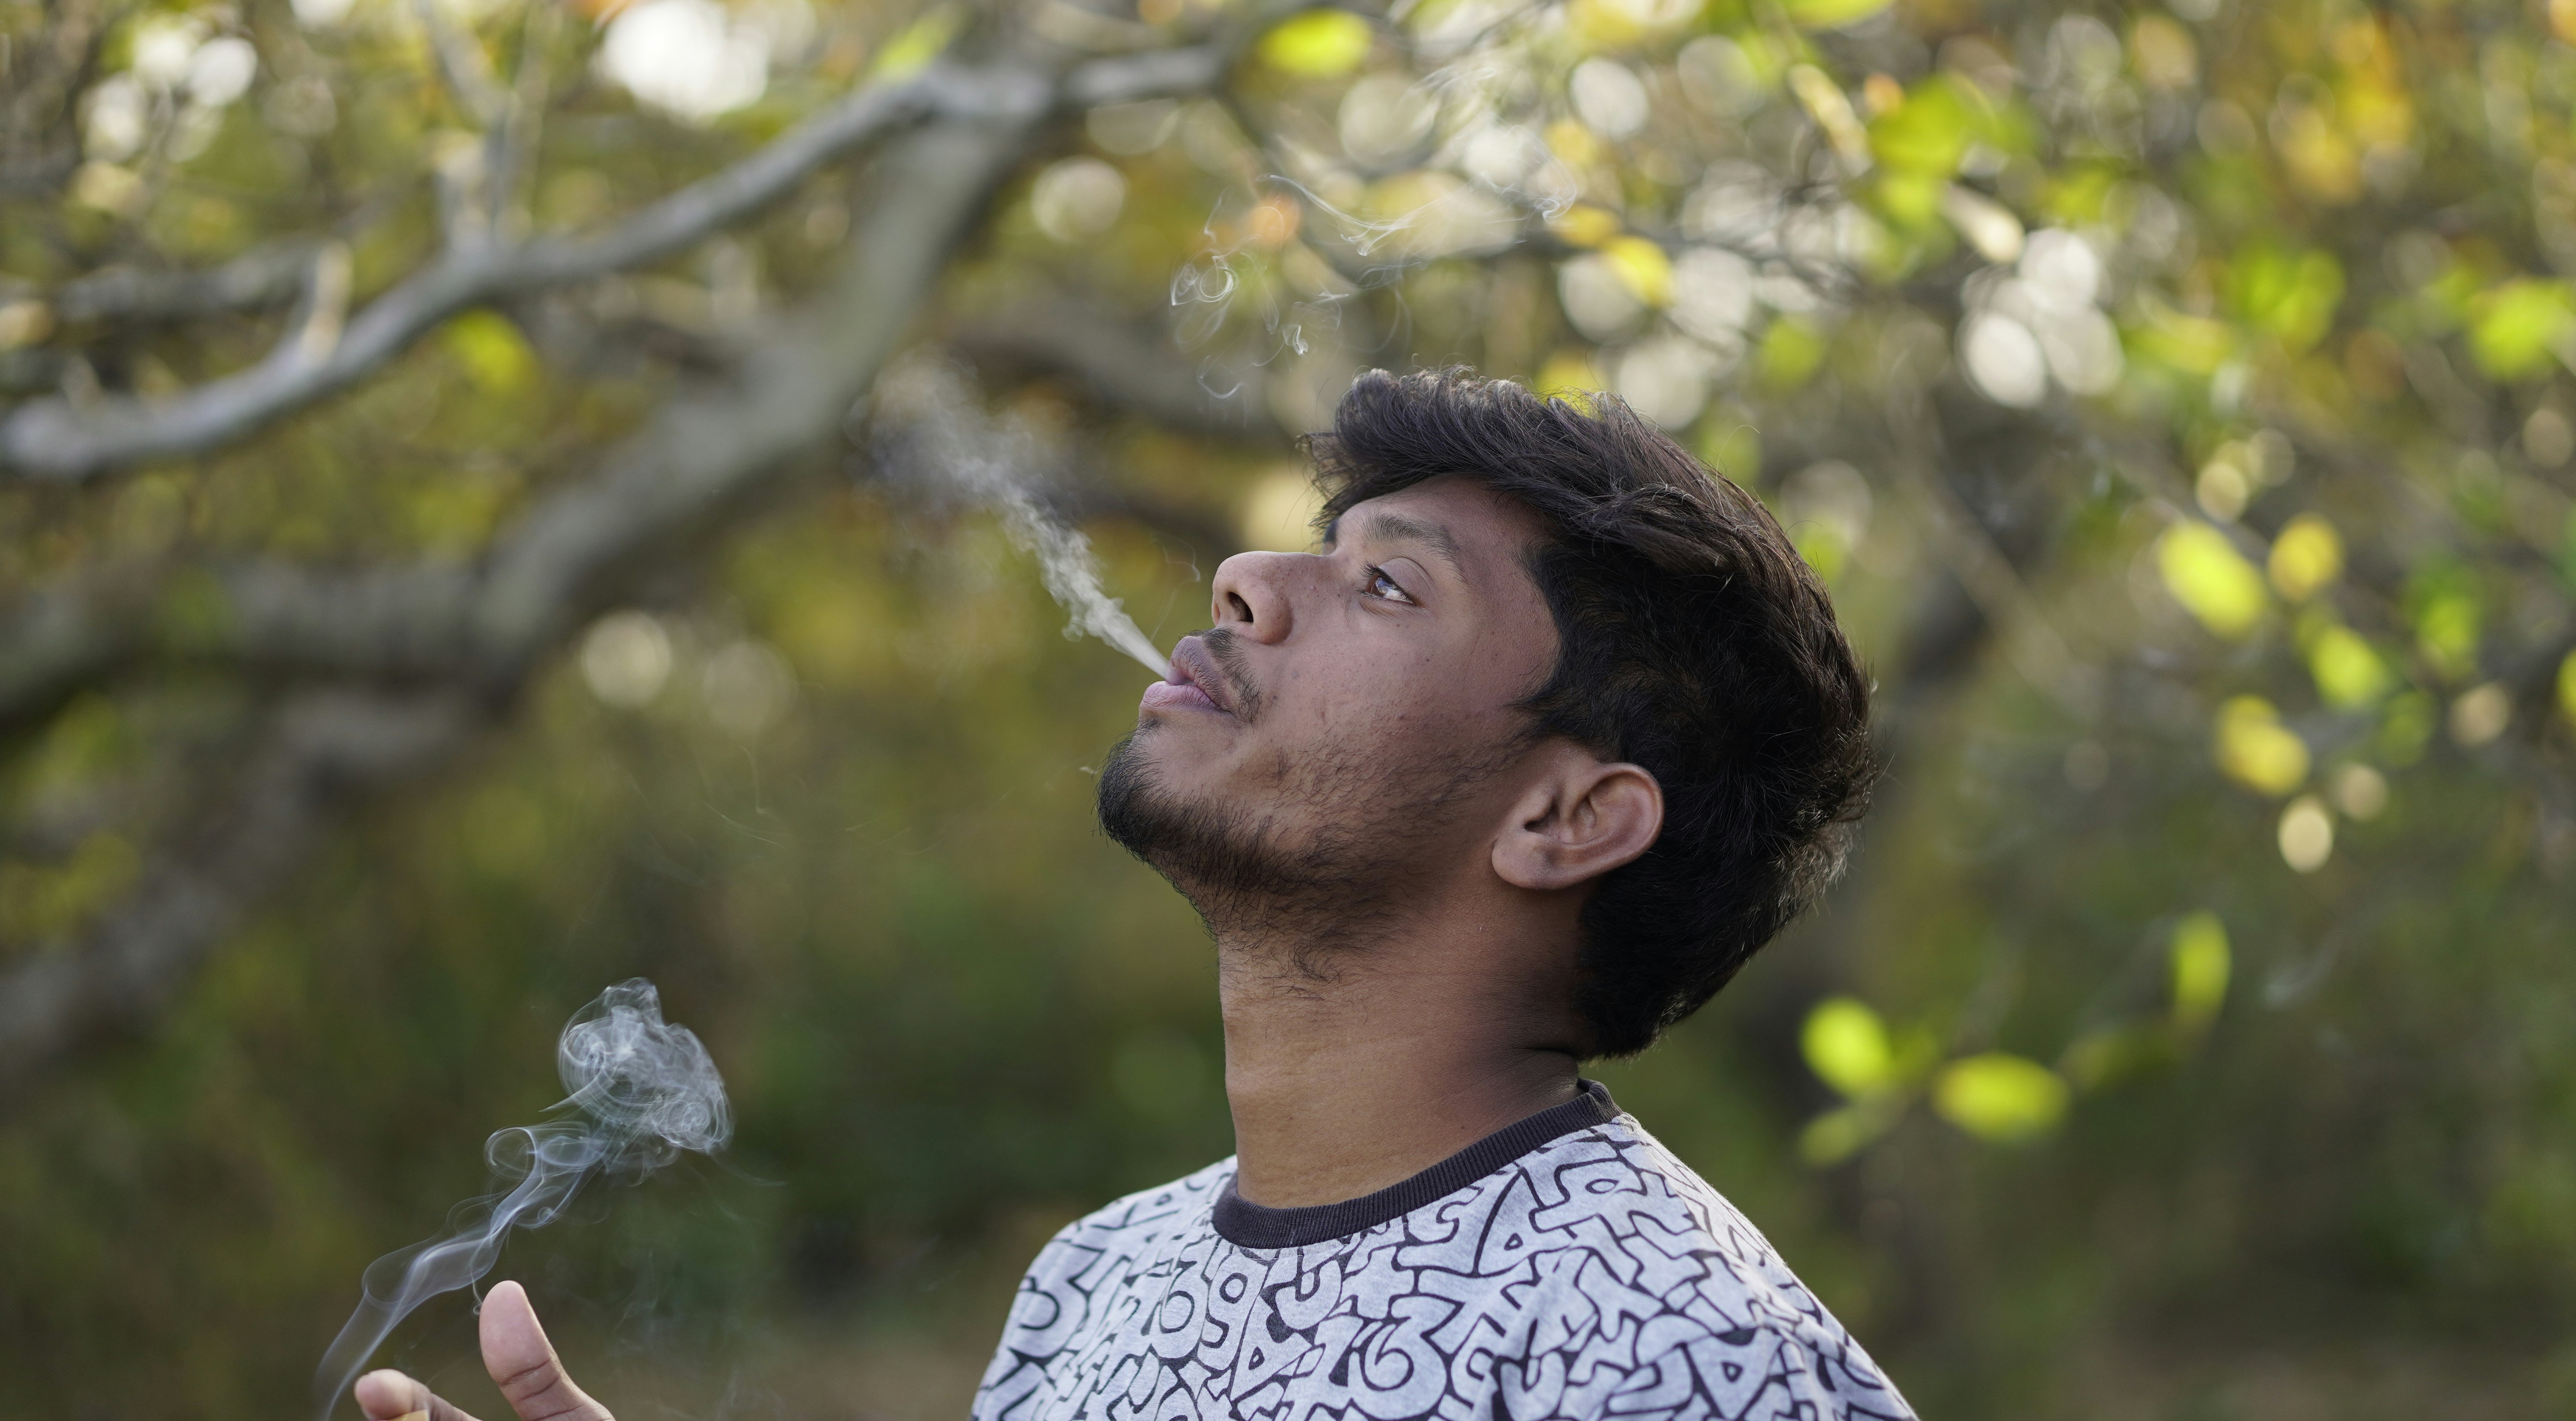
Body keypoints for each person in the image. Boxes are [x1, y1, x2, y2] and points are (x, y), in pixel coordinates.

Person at [351, 369, 1906, 1421]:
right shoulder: (1096, 1281)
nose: (1247, 579)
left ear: (1566, 819)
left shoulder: (1686, 1362)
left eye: (1387, 584)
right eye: (1322, 548)